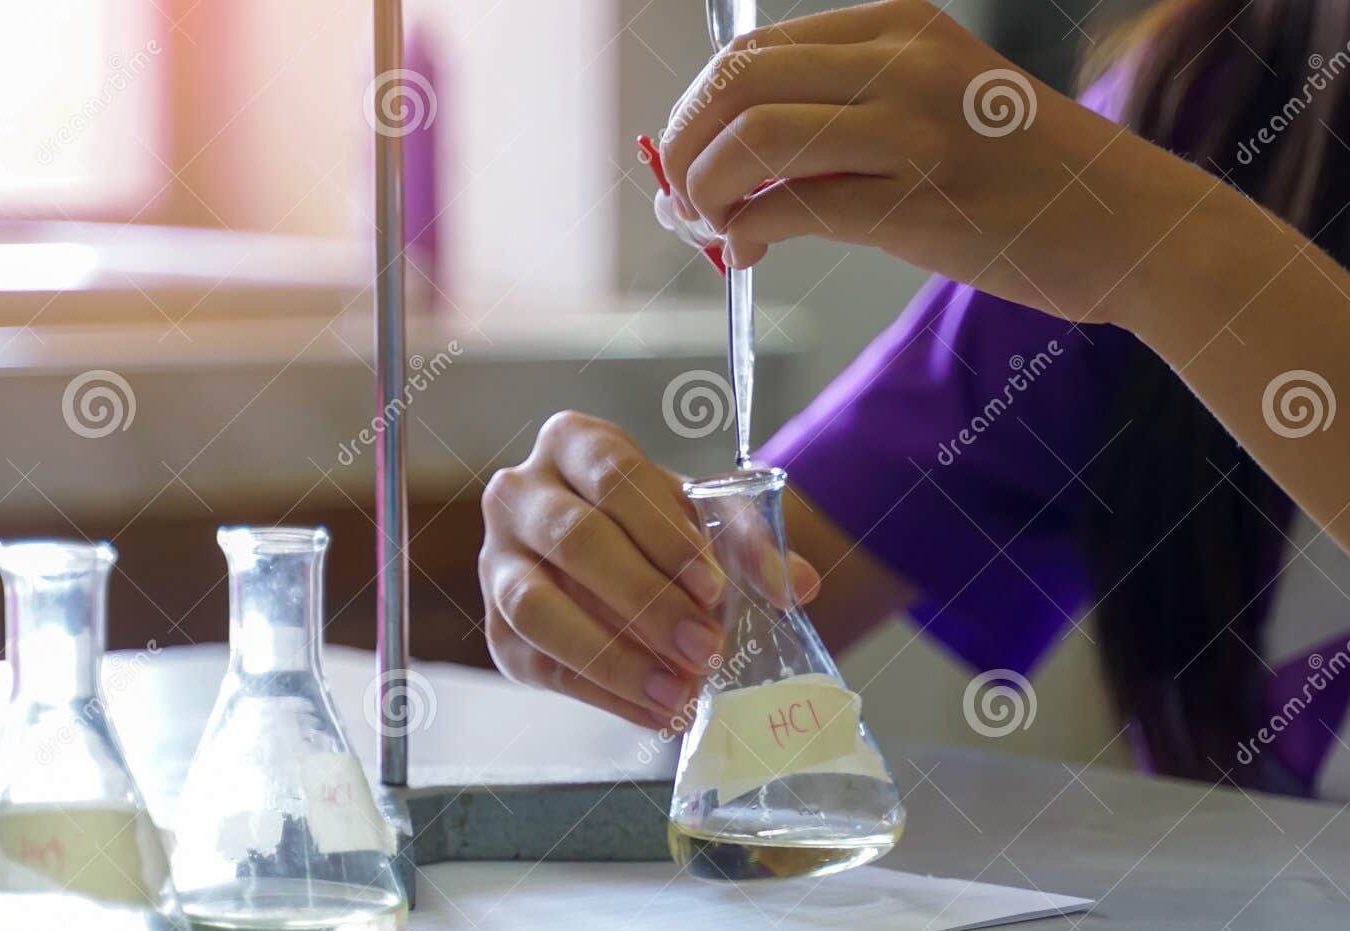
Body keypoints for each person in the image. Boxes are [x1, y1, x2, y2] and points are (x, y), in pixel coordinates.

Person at [477, 0, 1350, 798]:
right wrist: (603, 575)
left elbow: (1141, 238)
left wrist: (1165, 245)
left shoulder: (1148, 200)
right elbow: (748, 607)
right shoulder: (1201, 102)